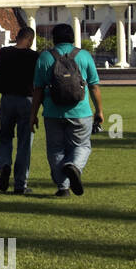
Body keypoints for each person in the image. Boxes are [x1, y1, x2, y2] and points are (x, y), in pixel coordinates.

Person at [30, 23, 103, 197]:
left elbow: (38, 89)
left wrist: (33, 115)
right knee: (82, 145)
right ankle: (75, 166)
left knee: (56, 149)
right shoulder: (84, 56)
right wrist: (99, 110)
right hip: (80, 111)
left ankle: (63, 187)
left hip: (53, 111)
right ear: (73, 38)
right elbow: (94, 86)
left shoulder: (45, 58)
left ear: (54, 38)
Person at [0, 26, 37, 194]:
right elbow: (39, 85)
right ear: (31, 40)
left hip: (7, 99)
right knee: (24, 143)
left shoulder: (5, 53)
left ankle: (5, 164)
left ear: (17, 37)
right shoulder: (35, 56)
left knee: (5, 137)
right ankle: (20, 184)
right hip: (27, 102)